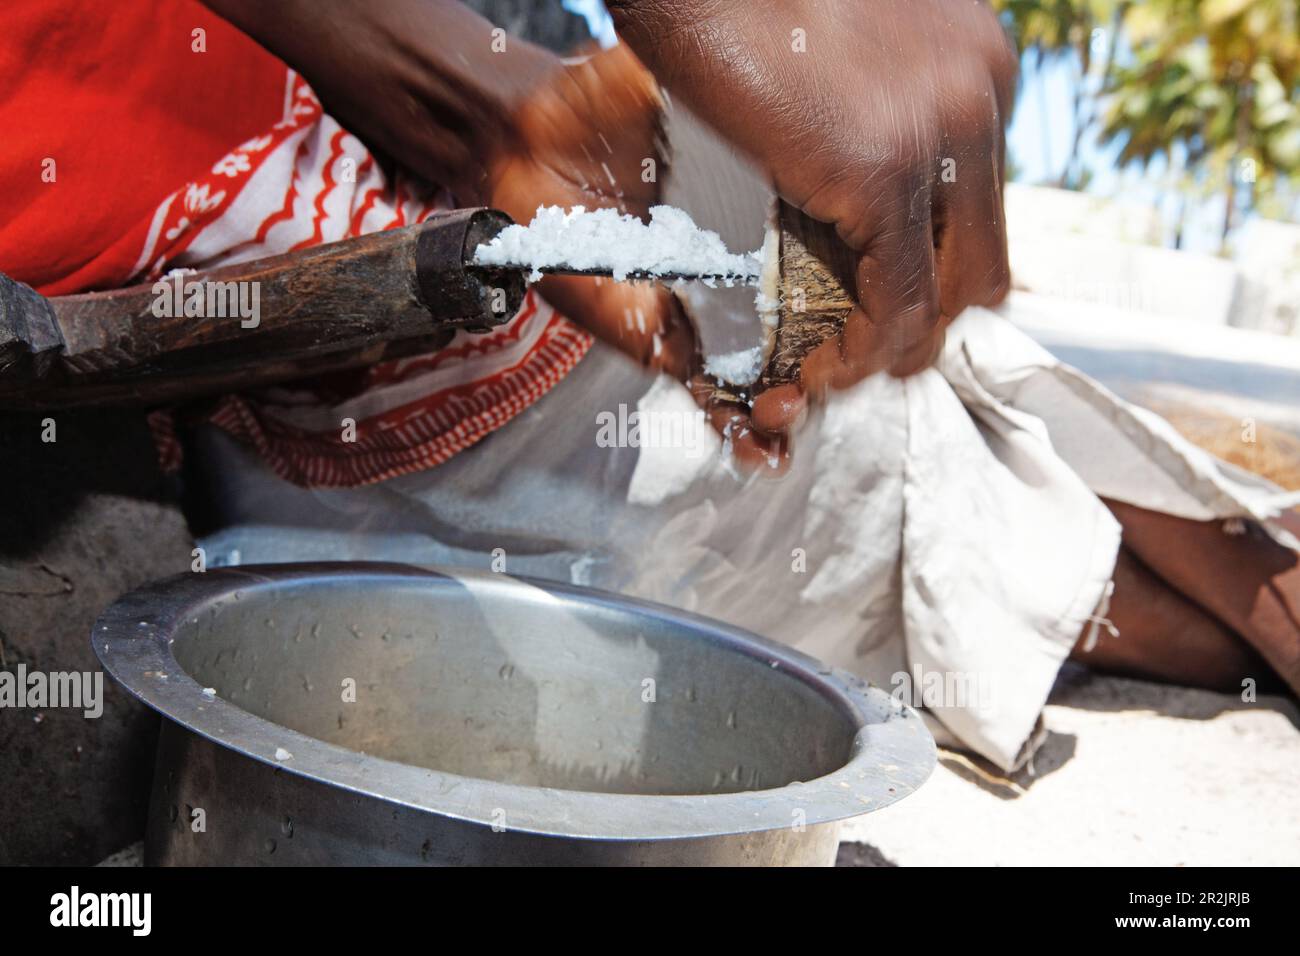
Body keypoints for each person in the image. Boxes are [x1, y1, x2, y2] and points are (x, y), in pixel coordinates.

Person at [2, 0, 1297, 773]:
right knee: (899, 490)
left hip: (359, 137)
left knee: (904, 390)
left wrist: (477, 99)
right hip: (303, 340)